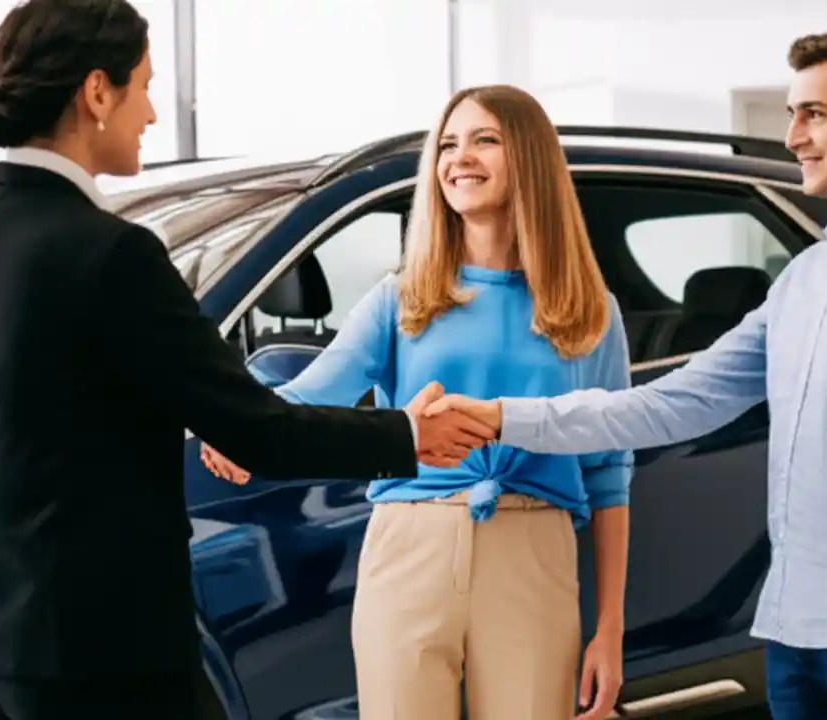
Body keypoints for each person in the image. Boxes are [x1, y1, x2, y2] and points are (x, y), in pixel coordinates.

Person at [425, 29, 827, 720]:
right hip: (790, 632)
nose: (794, 133)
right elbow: (674, 403)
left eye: (815, 114)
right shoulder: (807, 275)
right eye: (793, 112)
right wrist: (501, 417)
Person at [0, 2, 494, 718]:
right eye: (145, 87)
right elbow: (255, 429)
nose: (154, 114)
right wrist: (408, 435)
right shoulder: (110, 254)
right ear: (97, 93)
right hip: (106, 653)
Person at [202, 84, 633, 720]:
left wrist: (610, 628)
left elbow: (610, 477)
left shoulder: (589, 313)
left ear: (532, 158)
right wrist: (228, 423)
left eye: (486, 139)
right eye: (449, 144)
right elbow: (308, 396)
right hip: (409, 551)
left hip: (533, 554)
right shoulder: (399, 300)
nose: (460, 157)